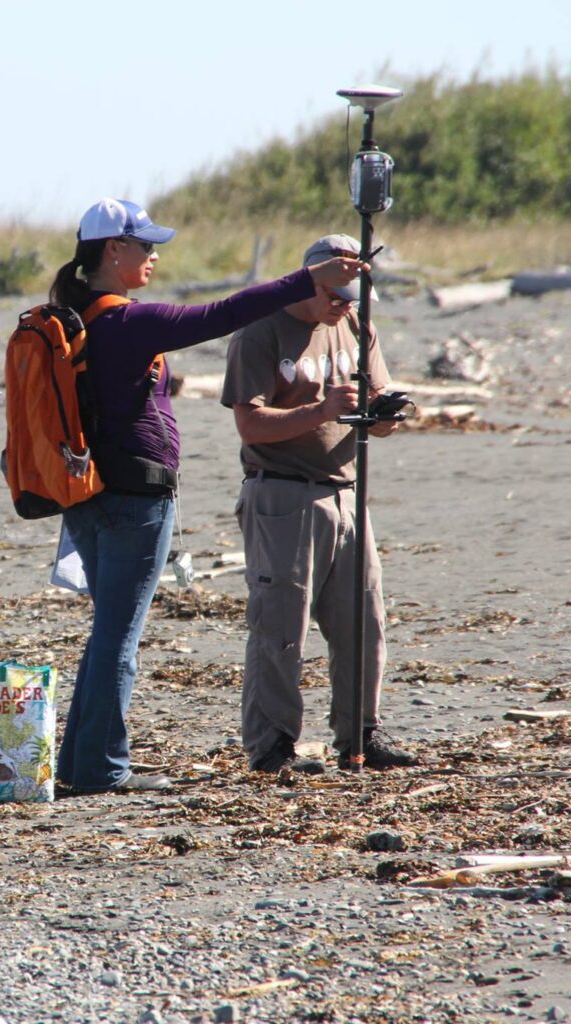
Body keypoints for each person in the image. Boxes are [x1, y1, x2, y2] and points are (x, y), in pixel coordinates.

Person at [48, 199, 366, 793]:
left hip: (90, 496)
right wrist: (307, 280)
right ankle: (102, 769)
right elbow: (219, 314)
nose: (154, 255)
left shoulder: (77, 315)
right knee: (119, 637)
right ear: (112, 251)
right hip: (131, 499)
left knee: (107, 631)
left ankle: (80, 763)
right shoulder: (123, 321)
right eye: (144, 246)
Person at [221, 233, 420, 774]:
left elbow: (375, 410)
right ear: (309, 279)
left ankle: (361, 736)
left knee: (364, 621)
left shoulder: (357, 325)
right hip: (281, 494)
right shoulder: (261, 329)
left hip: (348, 494)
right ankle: (272, 748)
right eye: (335, 295)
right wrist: (321, 409)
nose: (343, 306)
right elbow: (249, 424)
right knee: (280, 627)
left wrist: (384, 419)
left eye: (353, 296)